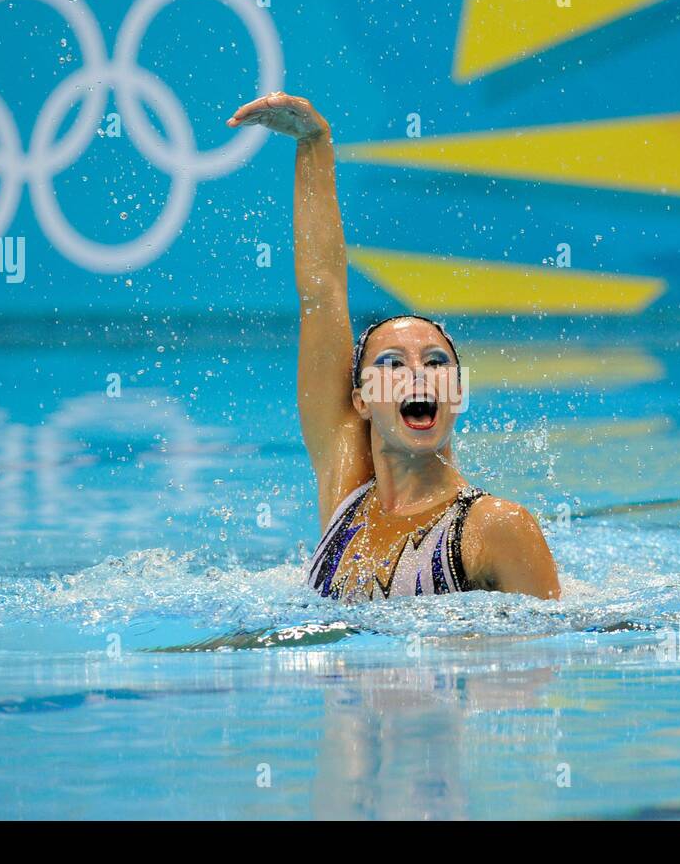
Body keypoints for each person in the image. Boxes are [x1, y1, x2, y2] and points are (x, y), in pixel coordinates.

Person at [227, 91, 561, 600]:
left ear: (457, 391)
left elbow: (549, 656)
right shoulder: (346, 494)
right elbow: (322, 290)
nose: (418, 375)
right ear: (360, 400)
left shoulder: (495, 528)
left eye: (434, 363)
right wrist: (314, 143)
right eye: (393, 364)